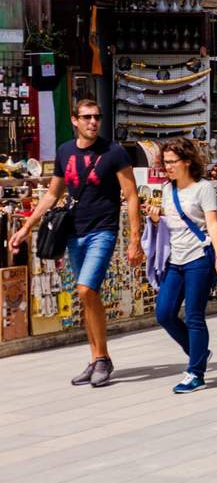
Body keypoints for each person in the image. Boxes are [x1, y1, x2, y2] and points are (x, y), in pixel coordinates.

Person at [11, 98, 143, 388]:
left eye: (96, 116)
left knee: (86, 289)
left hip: (102, 231)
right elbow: (52, 194)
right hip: (74, 233)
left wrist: (135, 240)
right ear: (74, 120)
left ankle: (103, 359)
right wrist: (26, 227)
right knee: (86, 297)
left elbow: (132, 195)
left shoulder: (114, 152)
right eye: (86, 117)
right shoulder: (65, 151)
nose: (93, 122)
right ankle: (96, 358)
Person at [148, 138, 217, 394]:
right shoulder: (166, 189)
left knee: (194, 315)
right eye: (165, 162)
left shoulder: (203, 188)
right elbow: (168, 222)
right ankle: (198, 352)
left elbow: (212, 224)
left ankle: (196, 372)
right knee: (164, 313)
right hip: (175, 260)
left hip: (199, 258)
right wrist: (155, 218)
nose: (167, 167)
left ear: (187, 162)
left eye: (172, 162)